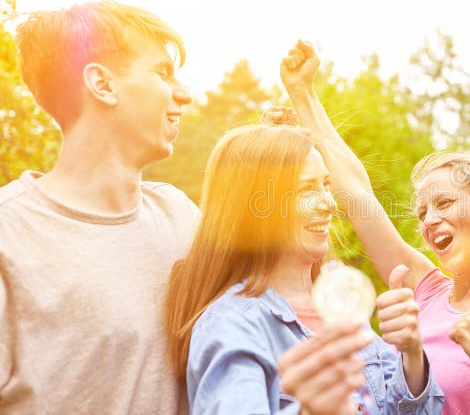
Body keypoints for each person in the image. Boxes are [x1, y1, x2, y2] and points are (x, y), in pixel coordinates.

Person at [278, 40, 470, 415]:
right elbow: (357, 193)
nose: (430, 219)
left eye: (445, 203)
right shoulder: (427, 292)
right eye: (422, 213)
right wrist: (303, 95)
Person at [0, 1, 199, 413]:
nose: (186, 94)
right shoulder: (9, 236)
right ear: (103, 85)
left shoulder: (181, 219)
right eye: (162, 72)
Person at [163, 123, 444, 414]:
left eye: (326, 185)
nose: (330, 204)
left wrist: (411, 354)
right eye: (307, 189)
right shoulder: (231, 324)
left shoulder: (339, 304)